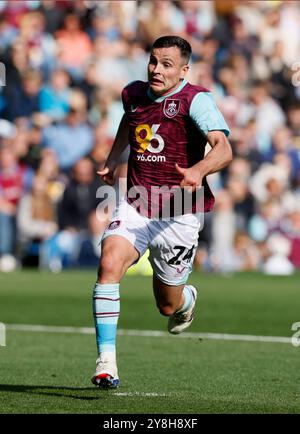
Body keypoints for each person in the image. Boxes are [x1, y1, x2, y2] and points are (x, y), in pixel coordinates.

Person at [91, 35, 232, 389]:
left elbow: (224, 148)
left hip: (180, 212)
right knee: (109, 263)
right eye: (153, 61)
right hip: (137, 201)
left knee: (167, 306)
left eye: (167, 64)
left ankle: (186, 298)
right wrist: (113, 158)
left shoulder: (195, 100)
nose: (157, 69)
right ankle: (106, 361)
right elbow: (130, 120)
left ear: (184, 69)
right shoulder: (133, 94)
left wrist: (199, 170)